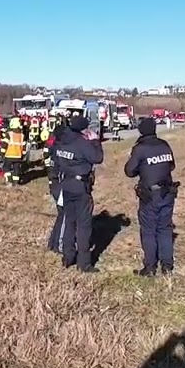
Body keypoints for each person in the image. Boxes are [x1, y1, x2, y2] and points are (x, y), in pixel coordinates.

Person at [124, 117, 179, 276]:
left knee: (149, 230)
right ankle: (167, 267)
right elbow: (172, 166)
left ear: (141, 130)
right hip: (167, 193)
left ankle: (150, 267)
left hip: (150, 196)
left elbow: (129, 171)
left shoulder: (140, 148)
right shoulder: (164, 145)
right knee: (164, 229)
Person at [53, 115, 104, 272]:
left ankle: (68, 257)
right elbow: (98, 158)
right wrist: (95, 141)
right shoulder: (82, 143)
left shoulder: (62, 140)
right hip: (81, 186)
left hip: (66, 184)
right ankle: (84, 263)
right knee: (84, 225)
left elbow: (56, 158)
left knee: (69, 221)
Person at [45, 117, 69, 253]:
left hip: (54, 182)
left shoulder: (52, 147)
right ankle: (57, 244)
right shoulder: (60, 149)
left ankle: (53, 243)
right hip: (58, 184)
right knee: (64, 213)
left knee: (61, 214)